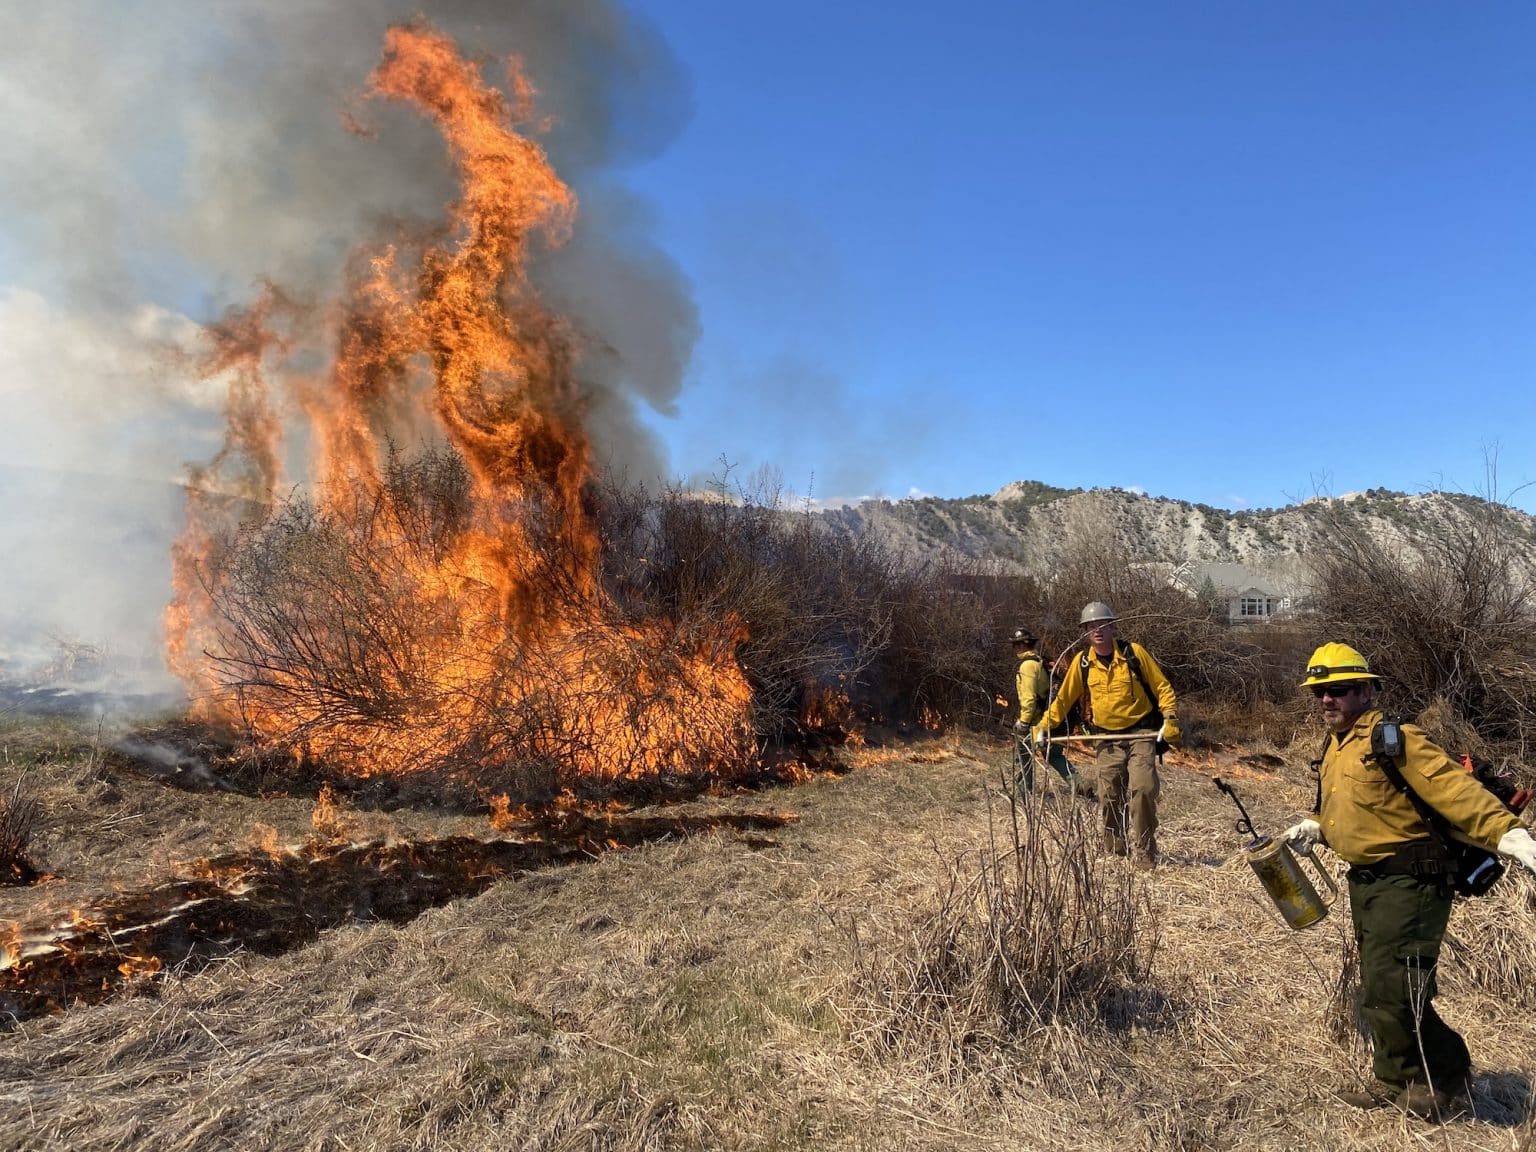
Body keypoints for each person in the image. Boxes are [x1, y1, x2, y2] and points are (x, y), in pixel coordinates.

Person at [1283, 643, 1536, 1120]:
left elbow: (1452, 788)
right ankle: (1394, 1078)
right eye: (1319, 692)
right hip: (1367, 883)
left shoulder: (1394, 738)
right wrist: (1319, 826)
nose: (1325, 701)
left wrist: (1509, 832)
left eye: (1336, 690)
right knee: (1379, 986)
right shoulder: (1338, 744)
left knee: (1399, 987)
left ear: (1365, 690)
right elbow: (1352, 804)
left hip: (1411, 883)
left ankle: (1446, 1075)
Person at [1032, 601, 1179, 866]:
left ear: (1113, 626)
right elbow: (1064, 700)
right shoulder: (1083, 662)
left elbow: (1162, 688)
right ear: (1085, 632)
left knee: (1143, 789)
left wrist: (1169, 719)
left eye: (1102, 625)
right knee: (1110, 795)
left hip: (1141, 734)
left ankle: (1145, 850)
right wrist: (1044, 725)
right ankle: (1116, 851)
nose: (1097, 630)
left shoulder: (1134, 654)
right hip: (1106, 739)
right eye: (1091, 626)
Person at [1009, 627, 1082, 794]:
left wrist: (1024, 722)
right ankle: (1079, 785)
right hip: (1051, 719)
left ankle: (1024, 792)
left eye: (1016, 645)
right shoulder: (1041, 661)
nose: (1016, 649)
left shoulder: (1027, 666)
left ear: (1020, 646)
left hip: (1035, 722)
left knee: (1023, 756)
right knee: (1054, 755)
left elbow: (1029, 698)